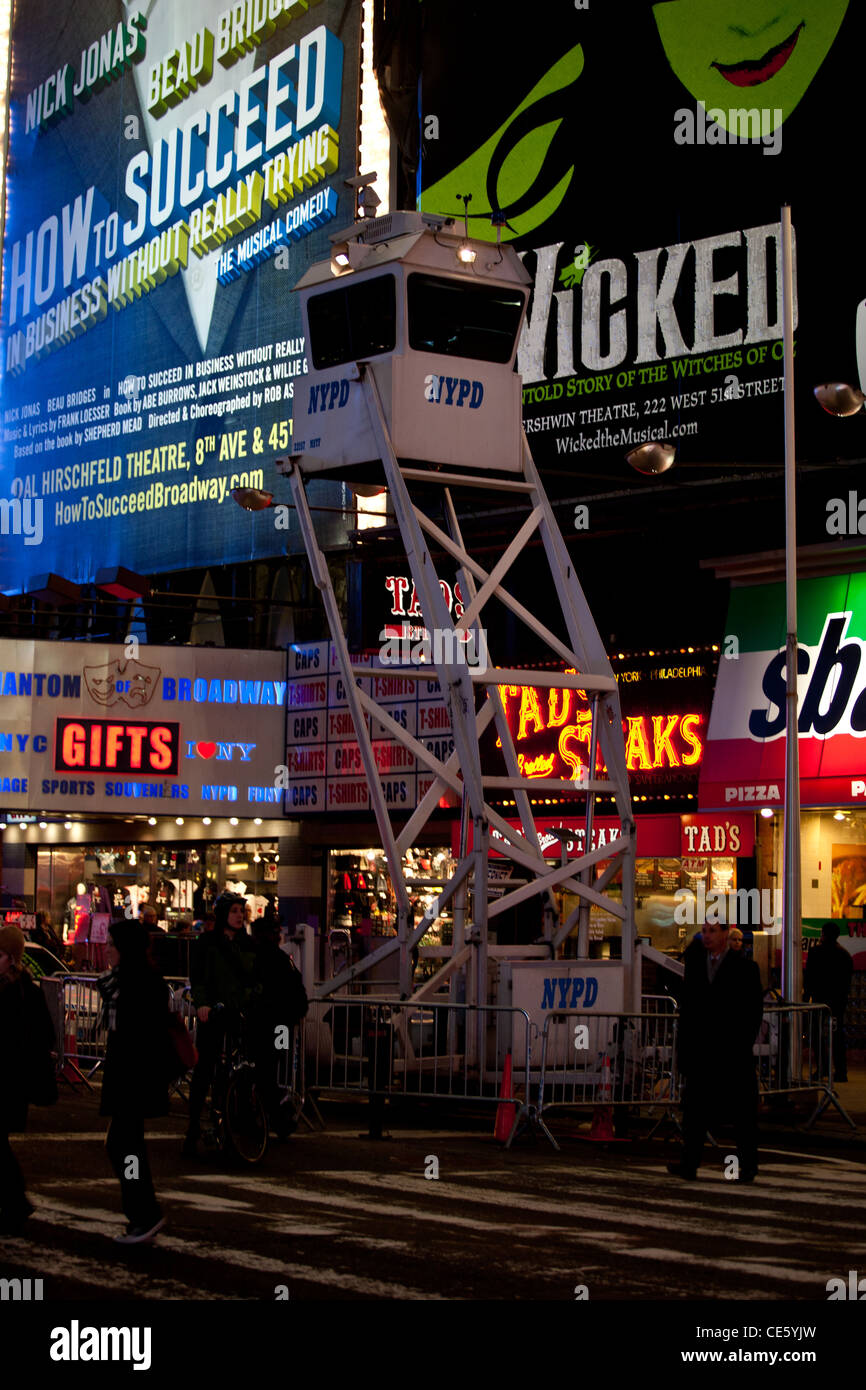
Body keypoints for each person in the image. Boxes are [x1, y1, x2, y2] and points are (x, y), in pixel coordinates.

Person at [669, 917, 764, 1184]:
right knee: (694, 1113)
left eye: (712, 931)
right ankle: (689, 1164)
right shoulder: (697, 966)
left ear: (726, 934)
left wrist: (742, 1041)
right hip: (702, 1051)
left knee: (743, 1115)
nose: (707, 936)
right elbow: (688, 1009)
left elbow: (753, 1011)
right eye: (704, 931)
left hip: (732, 1051)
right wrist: (685, 1051)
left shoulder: (746, 968)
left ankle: (748, 1167)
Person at [98, 919, 170, 1244]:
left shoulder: (139, 983)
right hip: (127, 1077)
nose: (107, 949)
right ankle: (142, 1212)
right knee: (126, 1147)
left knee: (125, 1149)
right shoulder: (121, 982)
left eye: (112, 944)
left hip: (133, 1079)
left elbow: (142, 1036)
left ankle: (144, 1212)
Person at [183, 892, 257, 1158]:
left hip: (239, 1014)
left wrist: (254, 1001)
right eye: (234, 910)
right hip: (213, 1014)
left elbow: (256, 979)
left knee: (244, 1068)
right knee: (205, 1070)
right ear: (223, 913)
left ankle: (239, 1119)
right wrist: (202, 1004)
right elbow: (199, 979)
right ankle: (193, 1127)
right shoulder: (207, 943)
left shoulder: (249, 945)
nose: (239, 915)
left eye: (241, 911)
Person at [0, 924, 56, 1234]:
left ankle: (16, 1202)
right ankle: (14, 1202)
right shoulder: (17, 988)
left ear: (10, 957)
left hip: (11, 1080)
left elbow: (43, 1036)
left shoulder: (21, 991)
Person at [249, 919, 309, 1136]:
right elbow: (296, 991)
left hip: (263, 1023)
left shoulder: (254, 957)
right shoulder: (280, 960)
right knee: (275, 1065)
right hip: (278, 1024)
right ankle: (277, 1116)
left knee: (266, 1067)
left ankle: (269, 1115)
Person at [804, 921, 853, 1082]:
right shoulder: (844, 954)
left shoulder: (815, 952)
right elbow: (847, 982)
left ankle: (822, 1068)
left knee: (817, 1035)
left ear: (823, 934)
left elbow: (809, 978)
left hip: (819, 1001)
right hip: (837, 1003)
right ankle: (841, 1071)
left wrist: (806, 999)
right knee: (837, 1037)